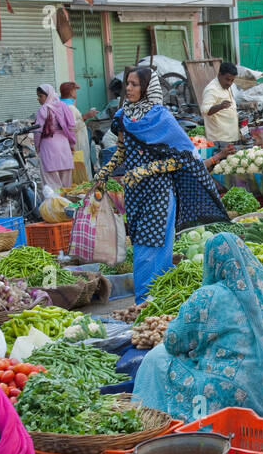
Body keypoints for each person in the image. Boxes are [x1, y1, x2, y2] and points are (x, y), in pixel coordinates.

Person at [92, 67, 228, 301]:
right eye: (128, 84)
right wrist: (104, 171)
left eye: (135, 84)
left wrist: (146, 170)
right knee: (141, 246)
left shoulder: (161, 117)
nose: (129, 89)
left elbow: (181, 158)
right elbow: (122, 152)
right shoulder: (124, 116)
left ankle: (148, 300)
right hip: (135, 195)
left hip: (159, 194)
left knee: (152, 247)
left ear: (147, 88)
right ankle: (152, 299)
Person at [134, 233, 263, 421]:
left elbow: (173, 342)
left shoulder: (207, 296)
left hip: (228, 392)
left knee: (156, 357)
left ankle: (153, 422)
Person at [35, 83, 77, 192]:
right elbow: (71, 127)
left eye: (40, 96)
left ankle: (55, 207)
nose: (38, 99)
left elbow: (37, 131)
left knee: (52, 187)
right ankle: (67, 207)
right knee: (66, 187)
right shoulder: (63, 106)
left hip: (48, 148)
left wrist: (37, 146)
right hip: (64, 147)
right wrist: (72, 145)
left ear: (47, 95)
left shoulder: (44, 109)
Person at [201, 61, 242, 144]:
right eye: (227, 79)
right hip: (219, 139)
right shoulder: (212, 89)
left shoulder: (226, 86)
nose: (229, 83)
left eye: (232, 80)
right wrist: (220, 106)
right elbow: (205, 111)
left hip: (231, 137)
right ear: (219, 75)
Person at [59, 81, 90, 182]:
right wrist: (86, 116)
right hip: (77, 141)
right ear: (71, 92)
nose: (76, 93)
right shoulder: (69, 107)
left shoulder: (62, 105)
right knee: (82, 167)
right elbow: (71, 127)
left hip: (74, 141)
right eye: (75, 90)